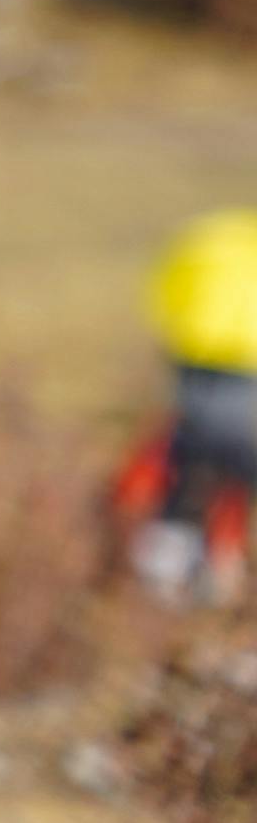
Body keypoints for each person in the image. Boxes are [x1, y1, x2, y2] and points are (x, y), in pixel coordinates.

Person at [143, 207, 257, 597]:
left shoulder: (208, 237)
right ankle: (210, 570)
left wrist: (176, 332)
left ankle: (171, 567)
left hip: (193, 353)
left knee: (193, 456)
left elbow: (165, 285)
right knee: (234, 460)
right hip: (241, 362)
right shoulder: (232, 242)